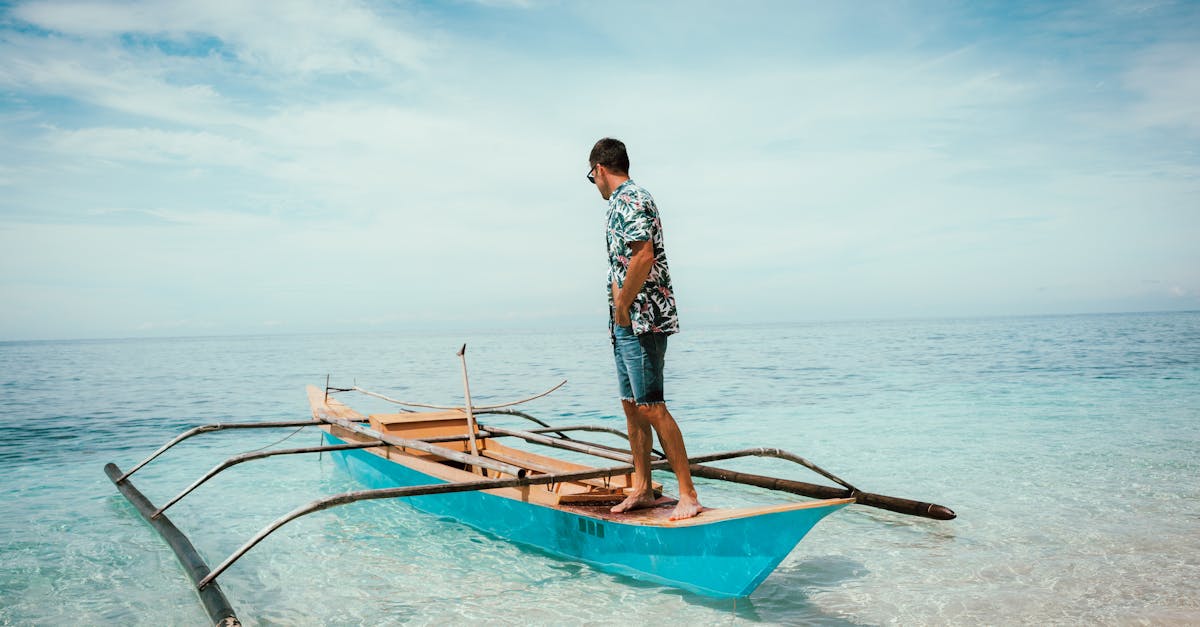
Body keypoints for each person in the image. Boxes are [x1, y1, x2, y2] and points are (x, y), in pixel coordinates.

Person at [587, 137, 702, 521]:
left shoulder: (633, 199)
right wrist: (617, 311)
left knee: (651, 406)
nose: (594, 184)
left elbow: (644, 255)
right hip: (623, 323)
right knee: (631, 407)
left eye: (592, 177)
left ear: (600, 169)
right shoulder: (618, 205)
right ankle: (642, 488)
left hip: (643, 318)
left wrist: (623, 304)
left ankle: (688, 493)